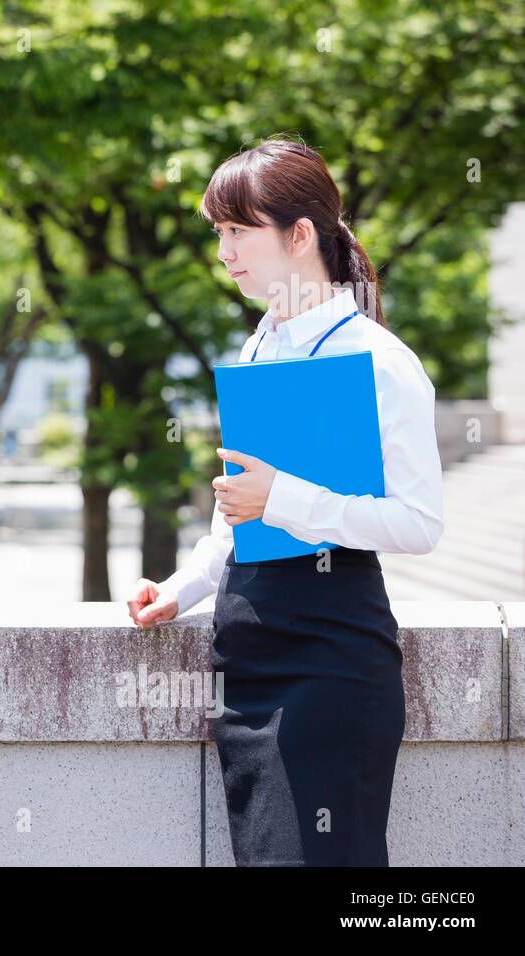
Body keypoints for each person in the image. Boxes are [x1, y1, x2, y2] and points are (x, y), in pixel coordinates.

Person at [127, 138, 444, 866]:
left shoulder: (379, 360)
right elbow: (236, 513)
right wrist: (183, 589)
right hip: (248, 653)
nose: (224, 250)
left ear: (300, 235)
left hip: (332, 657)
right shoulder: (261, 346)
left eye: (239, 230)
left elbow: (421, 524)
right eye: (219, 232)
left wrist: (288, 497)